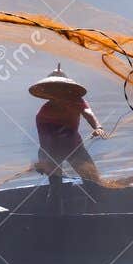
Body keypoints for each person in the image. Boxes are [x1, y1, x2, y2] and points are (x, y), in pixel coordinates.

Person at [29, 64, 107, 193]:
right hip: (51, 150)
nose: (57, 93)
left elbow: (87, 112)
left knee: (93, 181)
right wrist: (44, 162)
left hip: (74, 147)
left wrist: (98, 127)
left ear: (66, 89)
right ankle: (55, 211)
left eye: (60, 89)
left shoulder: (75, 100)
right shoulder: (44, 114)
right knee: (56, 188)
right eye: (53, 90)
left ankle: (95, 207)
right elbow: (45, 142)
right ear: (49, 93)